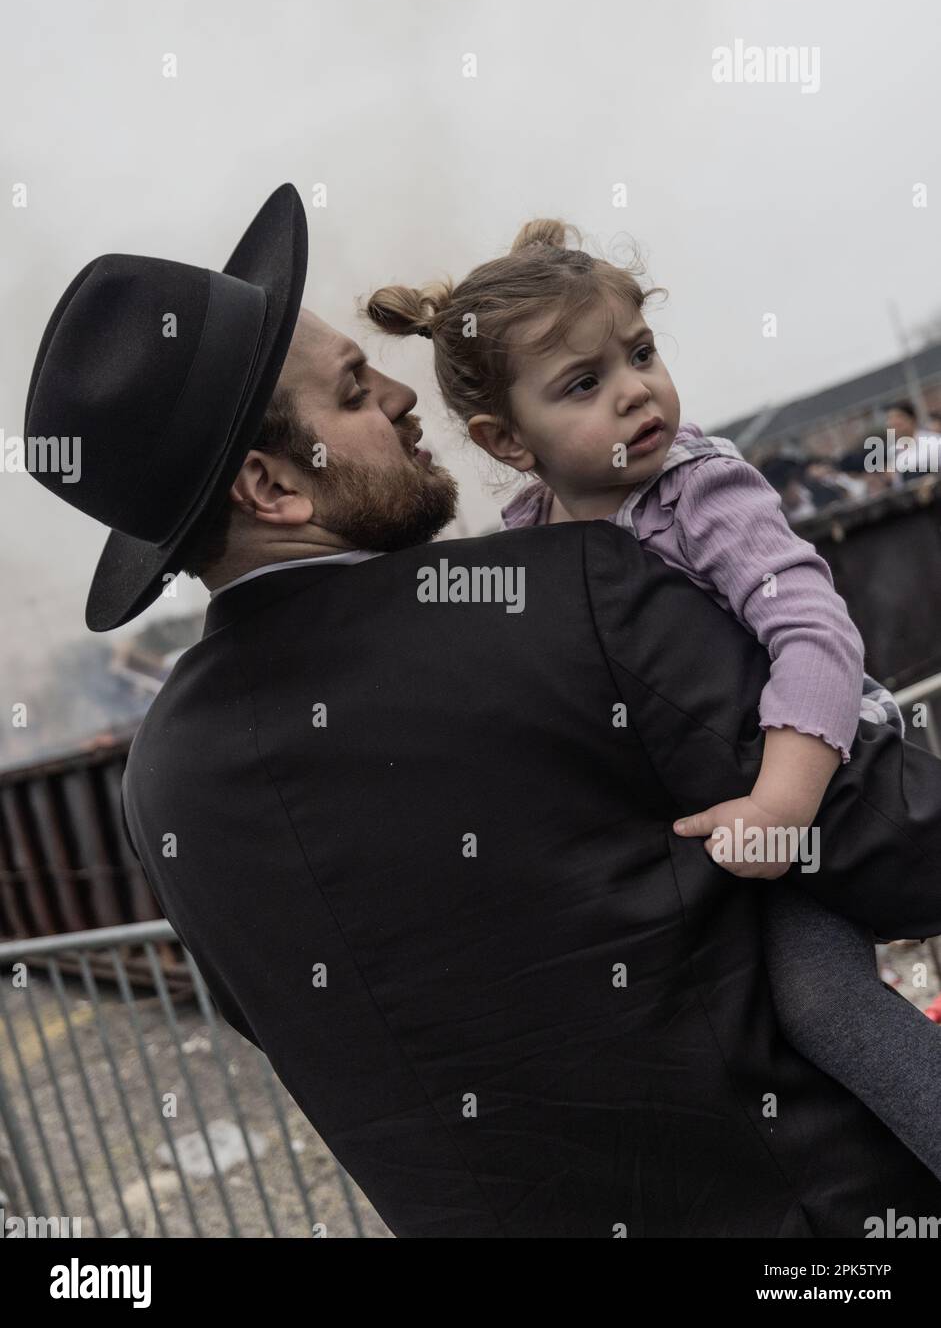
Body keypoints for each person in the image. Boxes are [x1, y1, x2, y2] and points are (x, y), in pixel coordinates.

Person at [23, 185, 941, 1237]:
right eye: (357, 393)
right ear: (272, 488)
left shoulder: (161, 784)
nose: (408, 403)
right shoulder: (572, 595)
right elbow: (898, 837)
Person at [366, 216, 941, 1182]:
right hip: (722, 842)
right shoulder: (532, 539)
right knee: (767, 1021)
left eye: (639, 354)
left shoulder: (699, 489)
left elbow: (814, 633)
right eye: (585, 384)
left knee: (820, 1003)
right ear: (506, 441)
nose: (635, 389)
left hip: (828, 783)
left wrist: (780, 807)